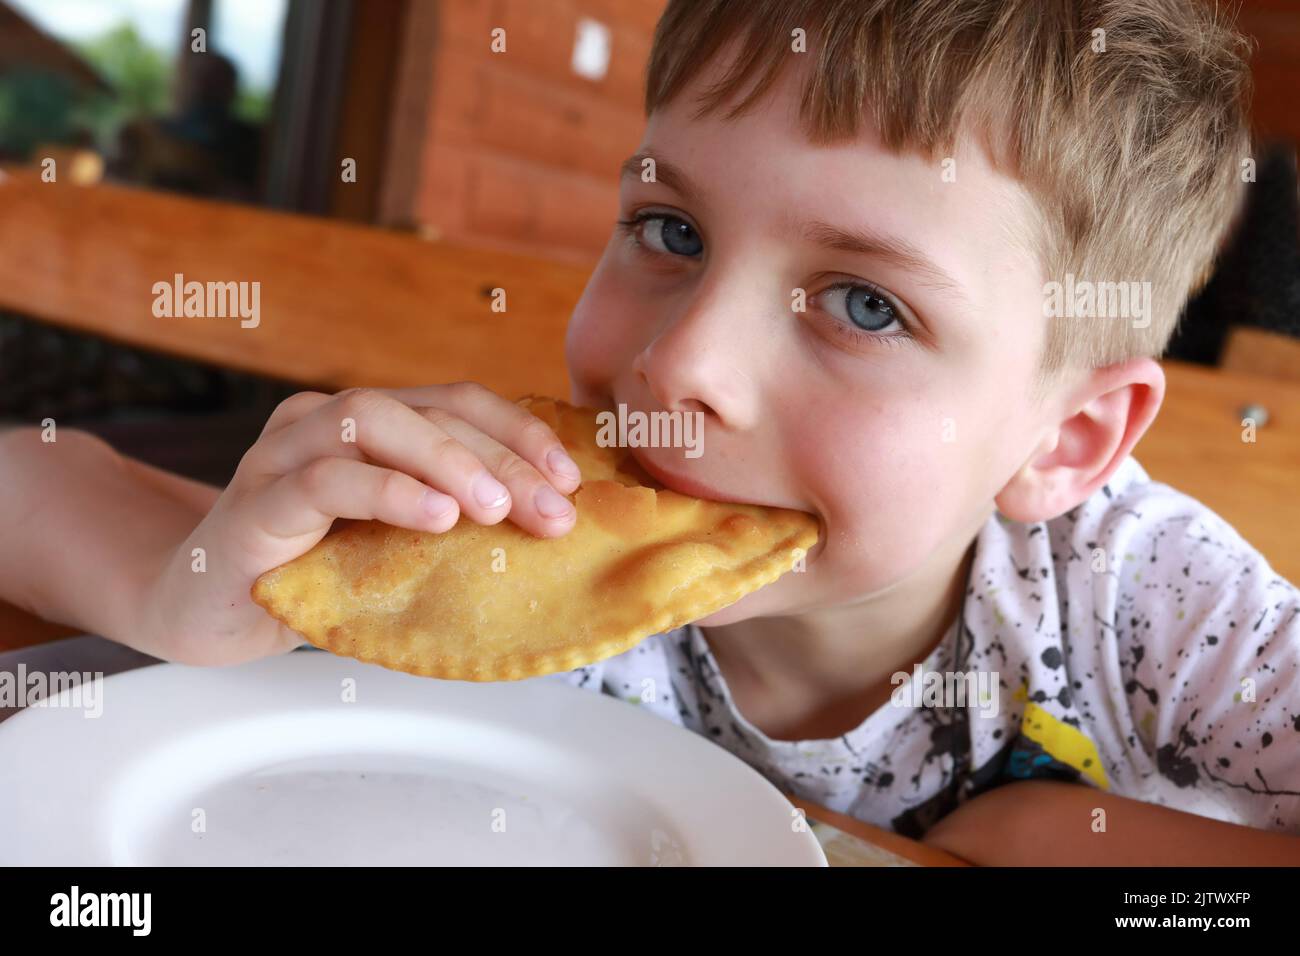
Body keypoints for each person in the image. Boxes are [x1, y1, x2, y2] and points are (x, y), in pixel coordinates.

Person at [1, 0, 1296, 864]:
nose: (681, 361)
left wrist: (1047, 838)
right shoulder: (523, 529)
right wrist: (191, 591)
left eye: (864, 305)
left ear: (1065, 442)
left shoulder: (1140, 596)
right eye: (671, 231)